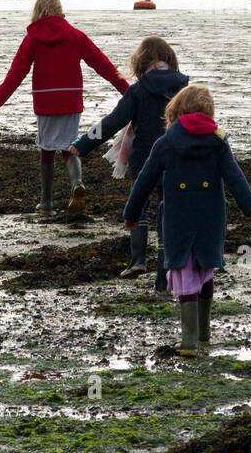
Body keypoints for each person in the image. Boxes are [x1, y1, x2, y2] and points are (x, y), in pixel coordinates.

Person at [124, 84, 251, 355]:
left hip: (179, 218)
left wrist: (131, 214)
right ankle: (204, 335)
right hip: (211, 217)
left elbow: (144, 181)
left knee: (184, 271)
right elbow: (235, 177)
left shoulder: (165, 143)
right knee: (204, 268)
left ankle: (188, 341)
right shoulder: (218, 141)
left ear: (175, 111)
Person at [0, 0, 128, 218]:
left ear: (37, 12)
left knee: (47, 147)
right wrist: (128, 92)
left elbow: (17, 72)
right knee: (70, 144)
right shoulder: (75, 35)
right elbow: (103, 64)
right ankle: (77, 183)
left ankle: (46, 202)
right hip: (71, 99)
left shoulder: (32, 38)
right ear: (60, 11)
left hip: (46, 100)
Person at [71, 35, 187, 281]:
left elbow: (113, 122)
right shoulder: (184, 88)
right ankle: (165, 267)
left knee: (140, 207)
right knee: (170, 210)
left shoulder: (138, 90)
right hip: (177, 158)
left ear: (140, 63)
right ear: (169, 60)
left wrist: (82, 145)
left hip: (144, 158)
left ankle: (138, 261)